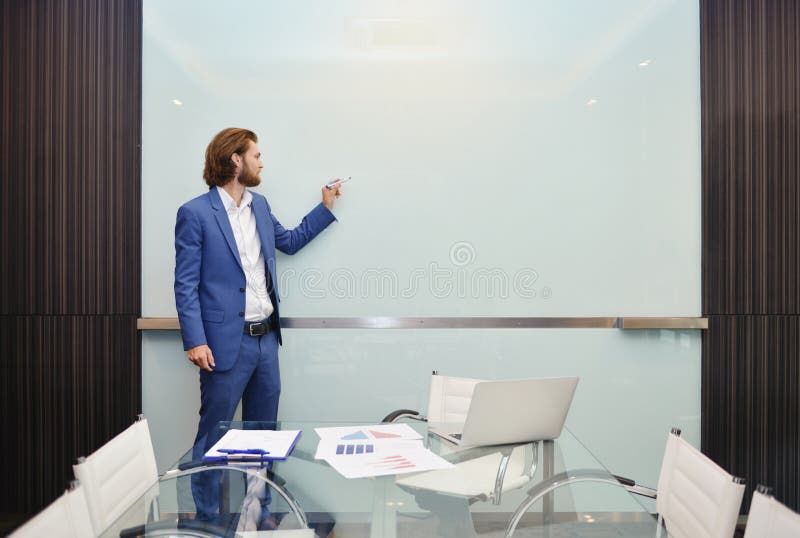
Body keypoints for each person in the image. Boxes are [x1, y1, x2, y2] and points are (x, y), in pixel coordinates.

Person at [174, 127, 341, 524]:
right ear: (236, 159)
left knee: (264, 436)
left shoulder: (260, 206)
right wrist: (195, 341)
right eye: (256, 154)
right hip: (222, 344)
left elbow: (290, 241)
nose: (261, 161)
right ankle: (207, 519)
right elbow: (185, 284)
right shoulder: (195, 213)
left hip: (266, 342)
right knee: (213, 436)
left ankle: (258, 511)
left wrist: (326, 207)